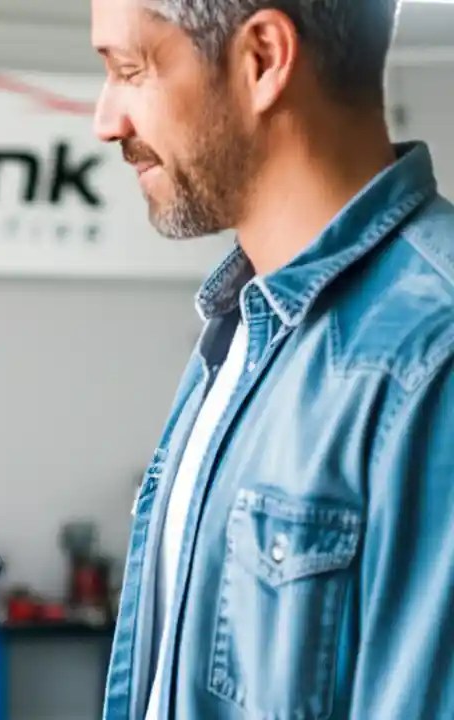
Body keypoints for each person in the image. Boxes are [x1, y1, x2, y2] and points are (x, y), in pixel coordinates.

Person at [89, 0, 453, 718]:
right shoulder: (239, 327)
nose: (107, 121)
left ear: (262, 57)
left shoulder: (434, 352)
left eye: (131, 70)